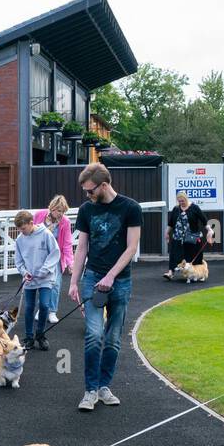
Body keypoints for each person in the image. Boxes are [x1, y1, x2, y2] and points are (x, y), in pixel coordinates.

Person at [69, 163, 142, 412]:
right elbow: (82, 248)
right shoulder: (86, 210)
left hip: (120, 281)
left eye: (90, 191)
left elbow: (131, 248)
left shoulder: (130, 208)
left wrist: (111, 276)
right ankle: (90, 390)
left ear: (104, 185)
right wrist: (73, 281)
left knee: (112, 339)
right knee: (93, 335)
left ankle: (103, 386)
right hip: (92, 278)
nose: (87, 195)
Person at [13, 210, 60, 351]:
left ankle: (40, 335)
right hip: (29, 279)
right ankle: (28, 337)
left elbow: (55, 253)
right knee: (28, 307)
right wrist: (24, 272)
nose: (21, 232)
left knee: (45, 305)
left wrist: (44, 270)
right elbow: (19, 260)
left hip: (46, 277)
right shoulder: (20, 240)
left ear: (31, 223)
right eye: (19, 229)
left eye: (23, 228)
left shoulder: (46, 234)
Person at [35, 195, 72, 325]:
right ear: (51, 208)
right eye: (56, 210)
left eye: (61, 211)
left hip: (56, 256)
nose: (58, 213)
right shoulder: (39, 216)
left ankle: (52, 311)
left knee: (55, 284)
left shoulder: (65, 222)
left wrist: (69, 263)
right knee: (41, 283)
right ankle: (42, 309)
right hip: (40, 256)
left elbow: (67, 243)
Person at [164, 191, 207, 279]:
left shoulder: (194, 208)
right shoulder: (176, 209)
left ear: (186, 199)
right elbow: (171, 223)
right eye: (179, 201)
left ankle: (197, 274)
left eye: (182, 201)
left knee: (192, 255)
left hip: (191, 237)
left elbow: (204, 220)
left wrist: (210, 230)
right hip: (178, 236)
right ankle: (170, 272)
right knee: (174, 254)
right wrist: (166, 233)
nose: (181, 203)